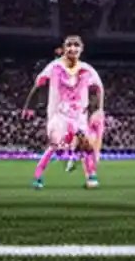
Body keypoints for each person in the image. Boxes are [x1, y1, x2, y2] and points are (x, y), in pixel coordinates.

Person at [22, 35, 104, 189]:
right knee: (56, 145)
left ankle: (91, 176)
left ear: (81, 49)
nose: (73, 48)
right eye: (69, 45)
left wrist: (98, 109)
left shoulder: (87, 69)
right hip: (58, 114)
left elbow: (98, 89)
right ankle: (38, 177)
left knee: (85, 145)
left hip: (79, 115)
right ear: (64, 48)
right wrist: (29, 106)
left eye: (76, 45)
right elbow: (38, 84)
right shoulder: (54, 67)